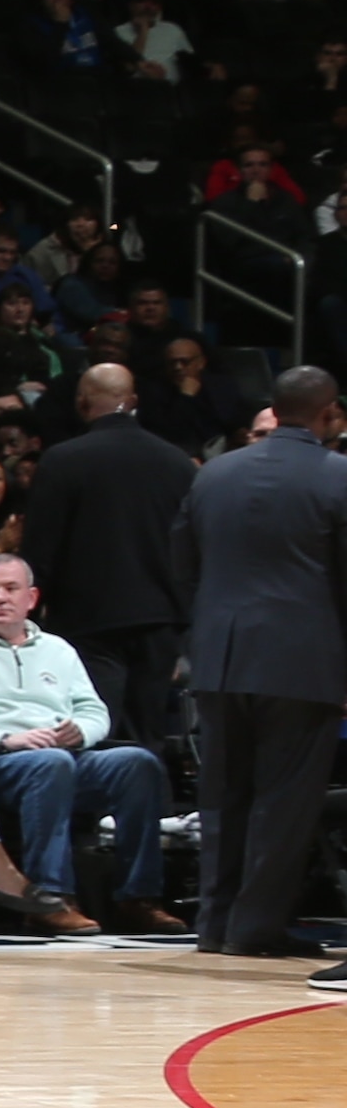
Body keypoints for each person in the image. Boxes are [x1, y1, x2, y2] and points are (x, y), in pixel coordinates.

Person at [182, 367, 347, 964]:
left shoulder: (215, 474)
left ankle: (214, 924)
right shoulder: (338, 476)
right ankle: (253, 927)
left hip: (219, 657)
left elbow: (186, 564)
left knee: (224, 795)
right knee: (284, 800)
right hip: (303, 662)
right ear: (329, 413)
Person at [0, 553, 174, 935]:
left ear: (32, 598)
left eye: (11, 588)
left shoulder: (58, 649)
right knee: (51, 763)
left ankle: (138, 896)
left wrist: (82, 731)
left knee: (136, 763)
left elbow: (94, 710)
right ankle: (50, 897)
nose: (0, 597)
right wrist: (7, 739)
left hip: (63, 754)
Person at [20, 359, 197, 760]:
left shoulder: (63, 459)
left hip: (89, 618)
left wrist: (32, 610)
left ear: (82, 403)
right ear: (132, 402)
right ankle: (150, 816)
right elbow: (192, 547)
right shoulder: (177, 463)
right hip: (161, 618)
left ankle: (95, 817)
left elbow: (40, 551)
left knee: (94, 724)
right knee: (148, 728)